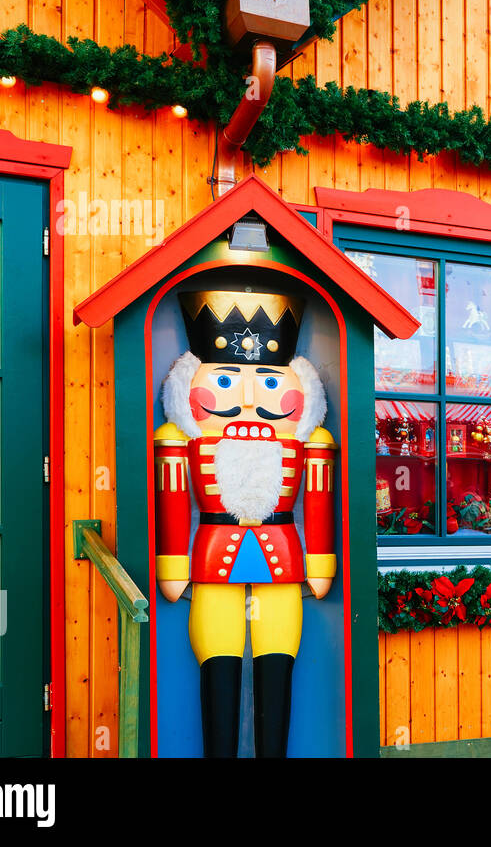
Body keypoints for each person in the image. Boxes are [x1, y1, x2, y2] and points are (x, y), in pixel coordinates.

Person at [154, 290, 336, 758]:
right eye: (227, 380)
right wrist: (172, 564)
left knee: (278, 661)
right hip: (215, 555)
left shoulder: (311, 440)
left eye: (271, 383)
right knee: (218, 660)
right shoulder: (178, 439)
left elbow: (318, 499)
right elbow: (173, 500)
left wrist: (321, 560)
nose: (251, 399)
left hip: (283, 555)